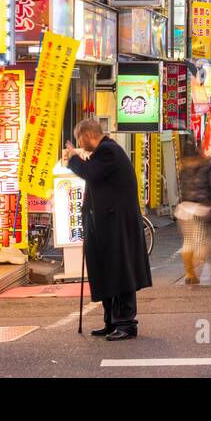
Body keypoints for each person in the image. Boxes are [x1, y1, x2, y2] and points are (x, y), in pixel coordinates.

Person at [64, 118, 153, 341]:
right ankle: (111, 321)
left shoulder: (108, 151)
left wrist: (73, 157)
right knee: (107, 270)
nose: (79, 144)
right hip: (106, 224)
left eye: (79, 139)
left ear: (86, 135)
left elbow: (90, 173)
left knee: (120, 270)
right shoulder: (104, 153)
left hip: (117, 225)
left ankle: (126, 324)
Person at [175, 139, 211, 284]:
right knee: (201, 245)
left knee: (188, 242)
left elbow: (179, 188)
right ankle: (194, 272)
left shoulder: (182, 168)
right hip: (200, 209)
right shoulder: (204, 166)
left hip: (184, 209)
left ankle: (189, 273)